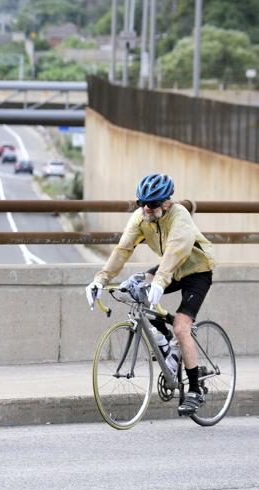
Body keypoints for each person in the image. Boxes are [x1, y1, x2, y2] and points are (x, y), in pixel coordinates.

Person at [85, 173, 215, 416]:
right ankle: (164, 342)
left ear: (166, 202)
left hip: (196, 270)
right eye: (141, 202)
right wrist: (100, 279)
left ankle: (195, 390)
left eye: (153, 203)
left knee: (181, 326)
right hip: (171, 268)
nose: (146, 208)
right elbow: (123, 249)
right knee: (134, 287)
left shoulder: (180, 217)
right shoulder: (141, 217)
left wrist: (160, 280)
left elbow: (177, 251)